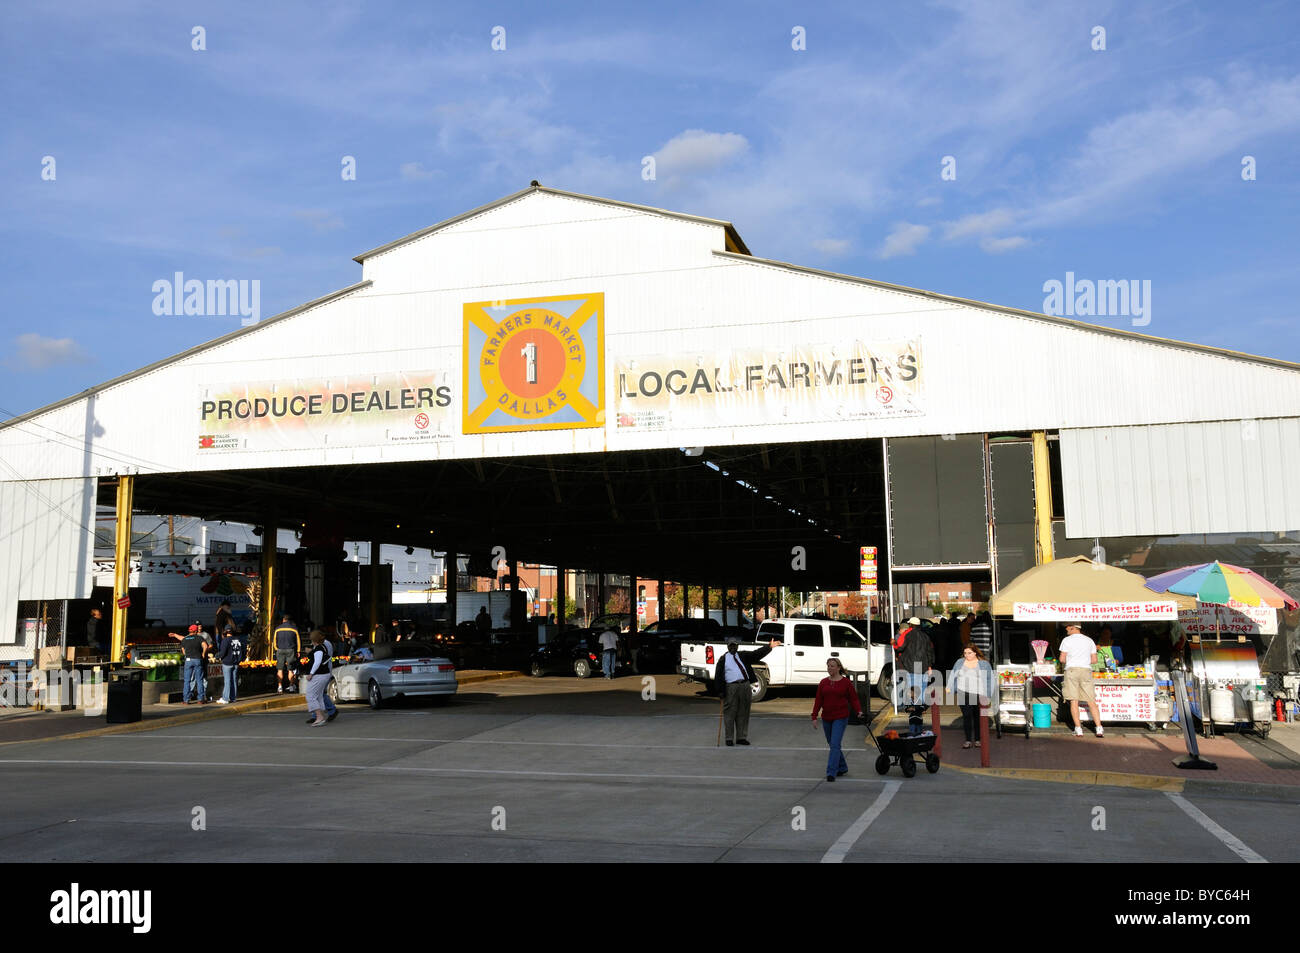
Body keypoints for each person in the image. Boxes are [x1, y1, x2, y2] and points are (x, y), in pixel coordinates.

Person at [713, 637, 778, 746]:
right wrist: (720, 691)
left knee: (743, 712)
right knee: (730, 713)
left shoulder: (742, 656)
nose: (733, 647)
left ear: (737, 646)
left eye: (734, 645)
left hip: (744, 686)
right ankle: (729, 738)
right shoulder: (723, 659)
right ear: (728, 647)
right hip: (731, 688)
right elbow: (718, 676)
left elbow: (756, 654)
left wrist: (769, 647)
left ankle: (741, 737)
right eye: (731, 645)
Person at [811, 657, 862, 781]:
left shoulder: (845, 683)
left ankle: (831, 772)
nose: (830, 668)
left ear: (839, 667)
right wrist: (814, 716)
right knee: (833, 744)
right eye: (828, 666)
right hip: (827, 717)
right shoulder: (823, 682)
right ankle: (843, 767)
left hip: (840, 717)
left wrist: (859, 711)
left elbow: (853, 698)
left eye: (832, 666)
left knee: (834, 744)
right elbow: (819, 700)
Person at [1060, 622, 1104, 738]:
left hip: (1072, 671)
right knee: (1091, 701)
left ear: (1072, 628)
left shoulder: (1066, 640)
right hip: (1086, 671)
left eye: (1067, 627)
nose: (1066, 629)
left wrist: (1072, 660)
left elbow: (1062, 658)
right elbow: (1094, 660)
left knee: (1074, 701)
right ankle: (1099, 728)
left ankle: (1078, 729)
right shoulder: (1089, 641)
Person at [948, 644, 995, 749]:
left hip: (978, 693)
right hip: (963, 692)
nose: (966, 655)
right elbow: (953, 675)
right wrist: (950, 687)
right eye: (965, 653)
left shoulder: (984, 664)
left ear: (975, 653)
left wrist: (988, 695)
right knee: (967, 716)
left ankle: (978, 739)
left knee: (977, 717)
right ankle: (968, 740)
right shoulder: (960, 662)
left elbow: (990, 680)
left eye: (969, 653)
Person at [894, 617, 934, 719]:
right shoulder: (926, 636)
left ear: (911, 625)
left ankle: (916, 708)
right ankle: (921, 707)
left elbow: (901, 647)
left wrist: (893, 644)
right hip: (924, 665)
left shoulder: (907, 634)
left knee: (913, 687)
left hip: (911, 665)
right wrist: (930, 666)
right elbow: (930, 652)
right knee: (923, 686)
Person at [301, 630, 333, 727]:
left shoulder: (319, 649)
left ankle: (319, 717)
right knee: (318, 695)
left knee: (310, 696)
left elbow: (317, 662)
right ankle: (321, 716)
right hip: (324, 674)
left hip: (319, 675)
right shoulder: (322, 647)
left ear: (314, 639)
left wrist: (311, 673)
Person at [171, 624, 209, 704]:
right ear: (196, 631)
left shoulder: (185, 639)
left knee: (187, 681)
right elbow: (205, 646)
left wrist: (186, 654)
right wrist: (203, 654)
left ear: (189, 631)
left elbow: (183, 649)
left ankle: (186, 700)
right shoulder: (199, 638)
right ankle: (200, 699)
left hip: (188, 661)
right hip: (198, 660)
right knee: (199, 680)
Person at [216, 624, 245, 705]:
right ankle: (233, 697)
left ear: (225, 632)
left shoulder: (225, 640)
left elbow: (222, 653)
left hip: (227, 663)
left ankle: (225, 698)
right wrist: (240, 659)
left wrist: (216, 656)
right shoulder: (239, 640)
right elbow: (243, 651)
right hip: (236, 663)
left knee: (227, 681)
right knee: (234, 681)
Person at [274, 615, 300, 694]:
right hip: (291, 650)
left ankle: (280, 687)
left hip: (280, 650)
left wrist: (276, 649)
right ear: (290, 621)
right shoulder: (294, 629)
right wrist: (298, 651)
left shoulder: (277, 628)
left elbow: (274, 641)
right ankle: (291, 686)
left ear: (283, 620)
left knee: (280, 669)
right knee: (290, 669)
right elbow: (298, 641)